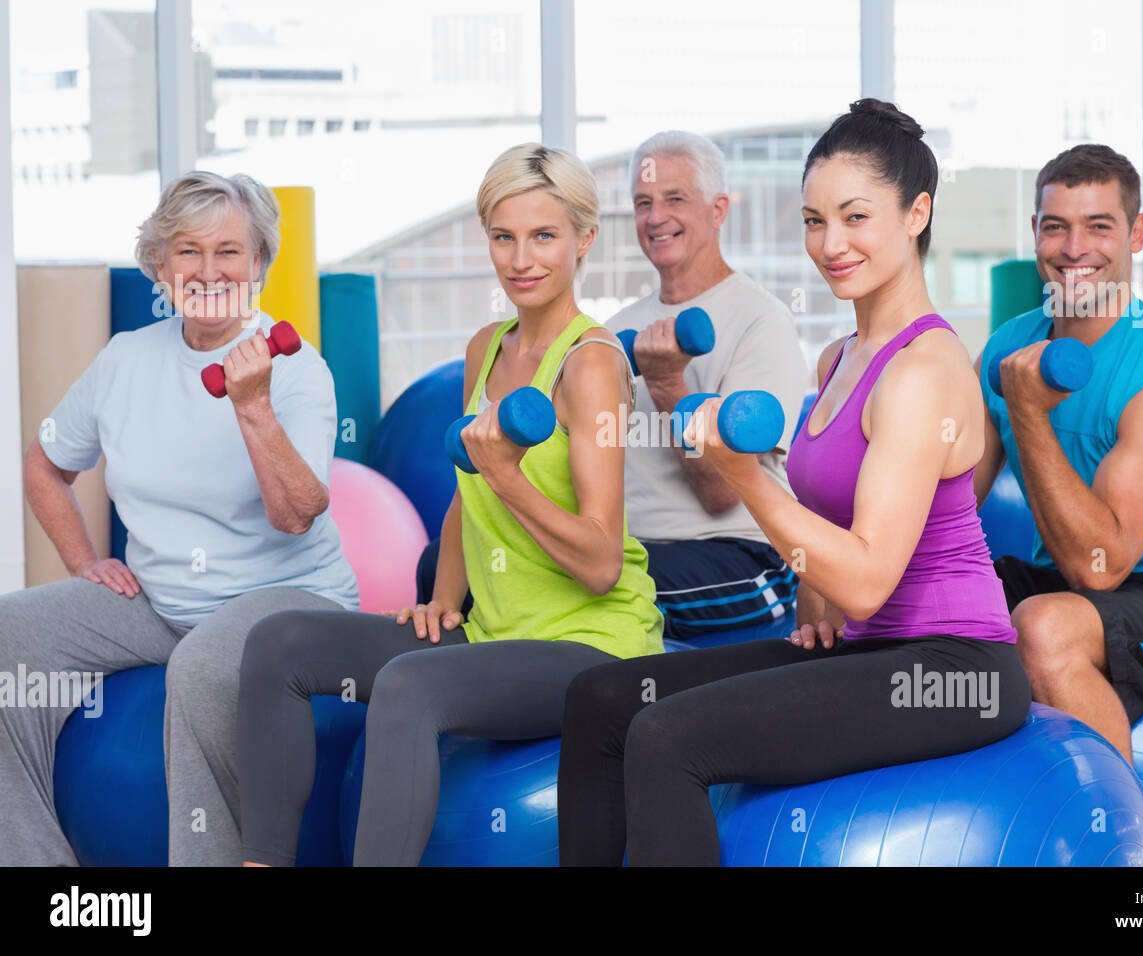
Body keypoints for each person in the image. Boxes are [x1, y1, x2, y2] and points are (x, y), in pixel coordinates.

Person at [557, 100, 1031, 867]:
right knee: (602, 701)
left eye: (854, 217)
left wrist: (744, 475)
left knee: (667, 737)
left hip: (954, 669)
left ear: (916, 214)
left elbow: (871, 578)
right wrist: (813, 601)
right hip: (863, 648)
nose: (830, 245)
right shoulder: (838, 358)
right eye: (814, 221)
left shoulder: (923, 370)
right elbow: (832, 528)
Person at [236, 143, 663, 867]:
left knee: (408, 686)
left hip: (589, 648)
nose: (521, 259)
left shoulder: (591, 365)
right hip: (493, 633)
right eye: (504, 236)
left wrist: (507, 477)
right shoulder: (485, 348)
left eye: (544, 236)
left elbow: (597, 561)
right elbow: (470, 489)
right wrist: (443, 597)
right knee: (279, 646)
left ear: (584, 240)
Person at [0, 171, 359, 866]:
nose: (208, 269)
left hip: (286, 605)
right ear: (159, 265)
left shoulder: (297, 369)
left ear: (259, 264)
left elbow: (297, 515)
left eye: (230, 251)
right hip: (161, 603)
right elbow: (44, 465)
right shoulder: (126, 360)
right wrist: (84, 563)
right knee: (6, 635)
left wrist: (252, 405)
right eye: (187, 250)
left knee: (200, 668)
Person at [416, 131, 808, 641]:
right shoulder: (620, 324)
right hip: (631, 541)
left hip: (732, 549)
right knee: (441, 568)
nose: (656, 216)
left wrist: (667, 381)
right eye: (643, 202)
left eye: (675, 199)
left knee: (586, 579)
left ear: (717, 210)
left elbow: (720, 495)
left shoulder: (762, 320)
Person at [974, 144, 1143, 763]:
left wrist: (1027, 409)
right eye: (1056, 227)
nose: (1075, 249)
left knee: (1044, 629)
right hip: (1068, 580)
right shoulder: (1008, 345)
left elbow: (1098, 569)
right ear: (1036, 234)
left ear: (1136, 233)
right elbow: (952, 500)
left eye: (1098, 226)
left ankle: (1118, 840)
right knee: (924, 591)